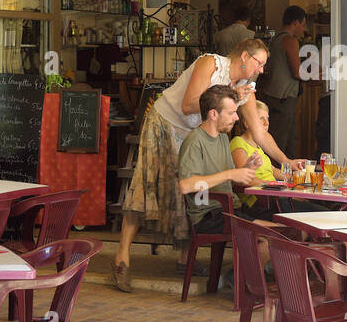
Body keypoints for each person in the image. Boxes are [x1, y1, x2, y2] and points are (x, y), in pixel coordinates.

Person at [113, 38, 294, 290]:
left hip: (194, 133)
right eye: (259, 63)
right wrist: (232, 96)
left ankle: (184, 259)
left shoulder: (244, 88)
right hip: (165, 123)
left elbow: (259, 133)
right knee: (146, 186)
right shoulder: (211, 63)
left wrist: (286, 161)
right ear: (244, 57)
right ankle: (122, 258)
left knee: (196, 193)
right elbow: (189, 104)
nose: (262, 70)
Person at [178, 85, 261, 236]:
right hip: (209, 215)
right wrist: (229, 174)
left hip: (231, 208)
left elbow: (227, 181)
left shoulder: (222, 137)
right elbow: (185, 186)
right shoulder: (194, 142)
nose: (236, 118)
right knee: (272, 232)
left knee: (283, 221)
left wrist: (246, 169)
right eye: (231, 113)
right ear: (213, 114)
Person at [257, 5, 306, 158]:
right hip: (283, 98)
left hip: (272, 94)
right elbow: (297, 72)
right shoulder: (290, 40)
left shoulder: (275, 39)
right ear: (296, 23)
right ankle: (279, 171)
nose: (303, 29)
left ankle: (289, 169)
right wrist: (318, 73)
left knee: (287, 139)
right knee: (282, 141)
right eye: (303, 24)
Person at [230, 99, 277, 217]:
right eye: (261, 119)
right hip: (258, 201)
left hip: (273, 196)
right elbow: (242, 178)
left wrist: (295, 176)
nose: (267, 123)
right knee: (309, 214)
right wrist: (273, 187)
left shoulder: (259, 146)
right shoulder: (238, 142)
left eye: (267, 118)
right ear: (247, 123)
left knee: (310, 207)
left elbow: (273, 170)